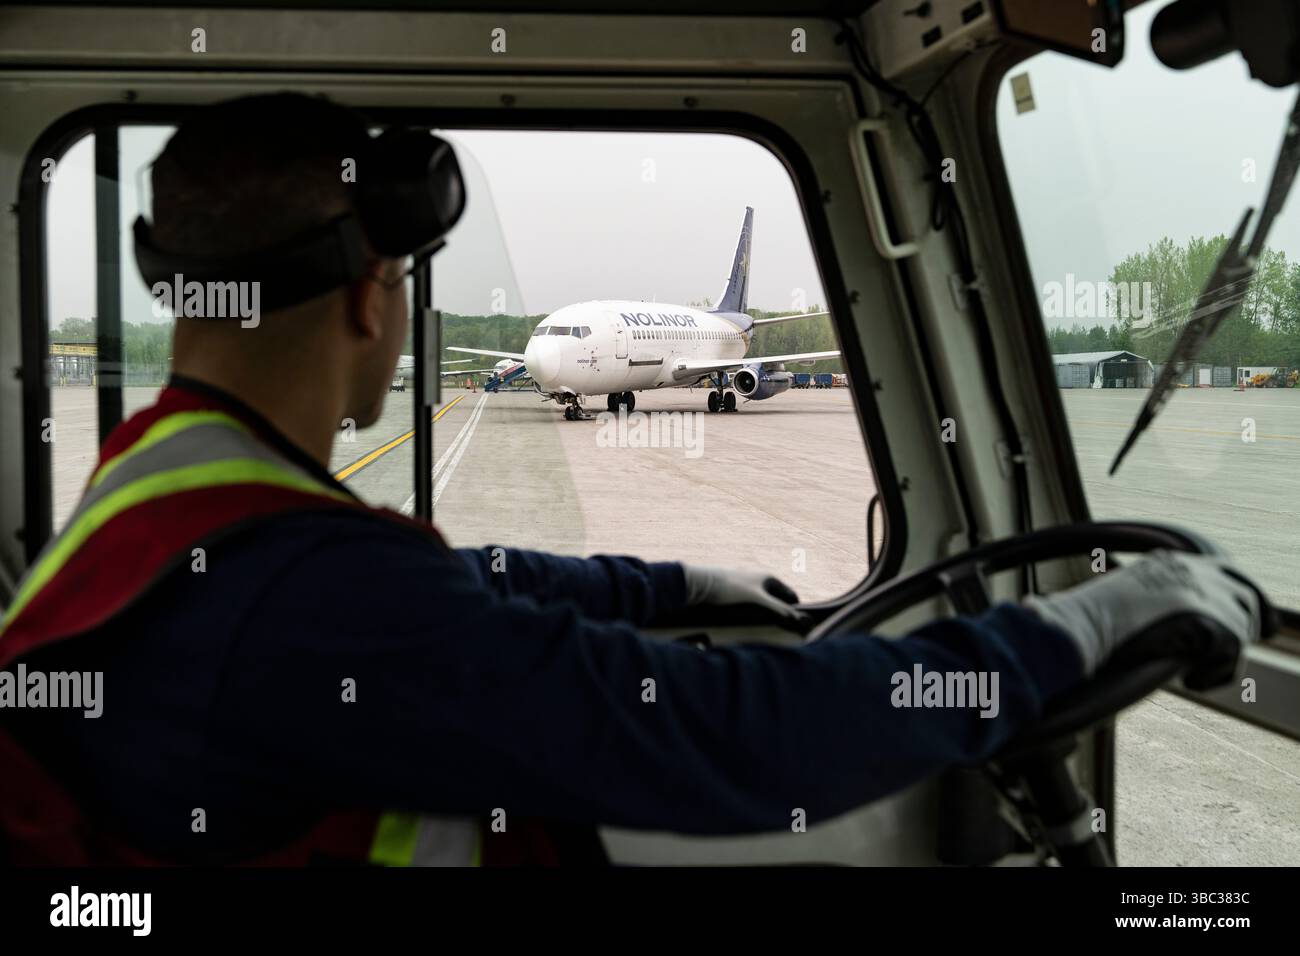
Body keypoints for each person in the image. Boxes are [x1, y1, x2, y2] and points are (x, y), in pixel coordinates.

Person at [0, 94, 1263, 866]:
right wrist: (1074, 625)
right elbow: (732, 736)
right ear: (374, 292)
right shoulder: (306, 597)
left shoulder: (161, 488)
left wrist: (659, 578)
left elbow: (441, 586)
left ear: (173, 283)